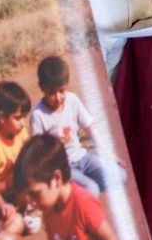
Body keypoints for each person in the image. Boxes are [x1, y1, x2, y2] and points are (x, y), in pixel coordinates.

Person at [30, 55, 125, 195]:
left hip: (82, 157)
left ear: (67, 85)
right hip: (62, 167)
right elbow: (38, 152)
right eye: (51, 93)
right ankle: (74, 191)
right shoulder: (38, 115)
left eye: (61, 90)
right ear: (42, 88)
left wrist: (106, 153)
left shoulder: (72, 100)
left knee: (120, 175)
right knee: (91, 189)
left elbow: (89, 127)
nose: (58, 97)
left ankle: (78, 190)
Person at [0, 81, 30, 196]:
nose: (23, 123)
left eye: (24, 117)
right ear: (2, 117)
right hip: (4, 193)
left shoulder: (20, 132)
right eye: (18, 118)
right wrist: (11, 182)